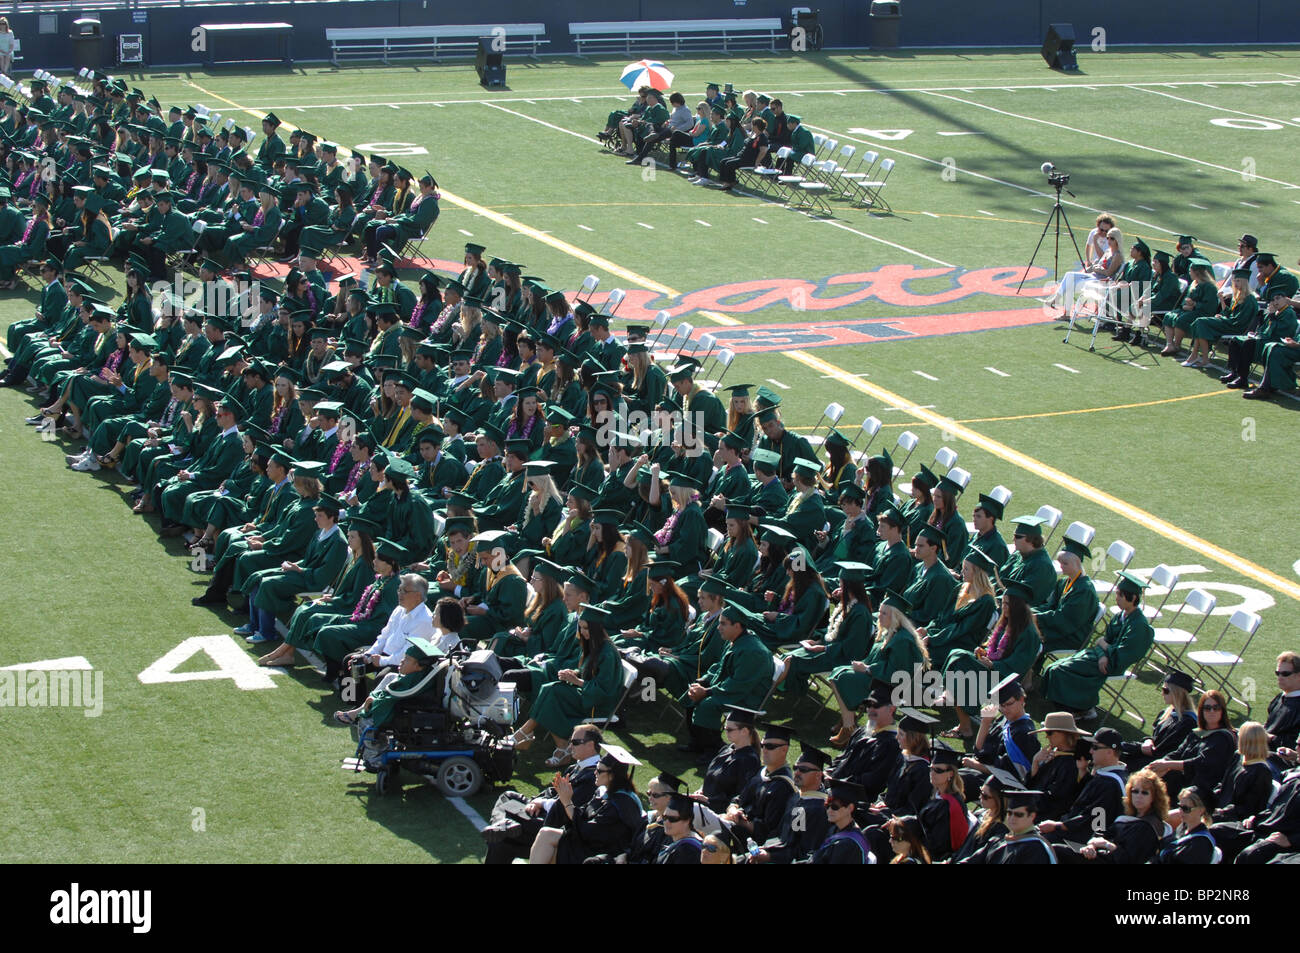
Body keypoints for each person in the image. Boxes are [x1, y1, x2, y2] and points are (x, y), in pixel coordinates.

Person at [482, 725, 604, 864]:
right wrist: (536, 801)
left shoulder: (594, 776)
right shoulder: (575, 767)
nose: (570, 746)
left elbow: (567, 804)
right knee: (508, 796)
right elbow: (552, 791)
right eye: (571, 741)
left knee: (499, 840)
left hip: (553, 825)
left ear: (590, 745)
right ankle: (503, 825)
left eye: (575, 742)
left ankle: (503, 826)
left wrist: (542, 803)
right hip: (542, 814)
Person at [1042, 571, 1155, 720]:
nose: (1117, 599)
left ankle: (1080, 708)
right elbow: (1103, 642)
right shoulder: (1120, 616)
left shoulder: (1139, 626)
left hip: (1113, 664)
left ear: (1133, 598)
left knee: (1060, 670)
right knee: (1054, 667)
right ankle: (1071, 707)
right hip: (1100, 657)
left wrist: (1103, 649)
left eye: (1120, 595)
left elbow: (1122, 654)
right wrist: (1102, 652)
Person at [529, 744, 645, 865]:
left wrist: (567, 801)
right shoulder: (604, 791)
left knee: (548, 840)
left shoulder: (622, 803)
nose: (595, 772)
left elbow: (589, 831)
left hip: (603, 853)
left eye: (599, 770)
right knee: (546, 836)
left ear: (612, 775)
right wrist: (566, 800)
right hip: (590, 844)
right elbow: (584, 815)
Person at [1148, 690, 1237, 807]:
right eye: (1207, 708)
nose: (1212, 711)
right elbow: (1179, 752)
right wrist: (1159, 763)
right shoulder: (1196, 733)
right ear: (1201, 710)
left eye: (1216, 708)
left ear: (1223, 711)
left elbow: (1200, 763)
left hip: (1203, 792)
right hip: (1182, 783)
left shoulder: (1223, 738)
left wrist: (1168, 765)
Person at [1038, 727, 1128, 842]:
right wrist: (1083, 772)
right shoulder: (1119, 774)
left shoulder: (1109, 783)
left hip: (1084, 840)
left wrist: (1058, 825)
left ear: (1109, 752)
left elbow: (1093, 821)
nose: (1091, 751)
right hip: (1078, 830)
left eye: (1095, 747)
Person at [1063, 768, 1171, 864]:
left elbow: (1129, 859)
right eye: (1135, 791)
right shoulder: (1128, 818)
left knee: (1060, 852)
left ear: (1154, 797)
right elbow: (1102, 835)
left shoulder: (1149, 826)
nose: (1139, 796)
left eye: (1145, 793)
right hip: (1099, 855)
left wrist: (1106, 845)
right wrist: (1091, 846)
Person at [1120, 669, 1199, 771]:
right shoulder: (1165, 713)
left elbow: (1160, 751)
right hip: (1149, 757)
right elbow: (1154, 738)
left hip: (1161, 765)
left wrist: (1135, 747)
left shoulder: (1187, 723)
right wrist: (1148, 740)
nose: (1162, 694)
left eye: (1166, 690)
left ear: (1177, 693)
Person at [958, 788, 1058, 864]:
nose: (1012, 818)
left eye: (1019, 814)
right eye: (1009, 813)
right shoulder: (998, 841)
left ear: (1032, 816)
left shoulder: (1036, 849)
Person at [803, 779, 875, 864]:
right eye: (827, 806)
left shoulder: (849, 844)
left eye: (835, 807)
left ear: (850, 808)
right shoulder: (834, 829)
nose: (829, 810)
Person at [918, 746, 970, 861]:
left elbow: (938, 845)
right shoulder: (937, 794)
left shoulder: (949, 805)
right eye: (931, 768)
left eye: (938, 770)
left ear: (950, 774)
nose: (932, 773)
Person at [1155, 787, 1220, 863]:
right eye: (1180, 807)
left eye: (1186, 808)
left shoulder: (1201, 843)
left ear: (1201, 810)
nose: (1180, 811)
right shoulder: (1182, 827)